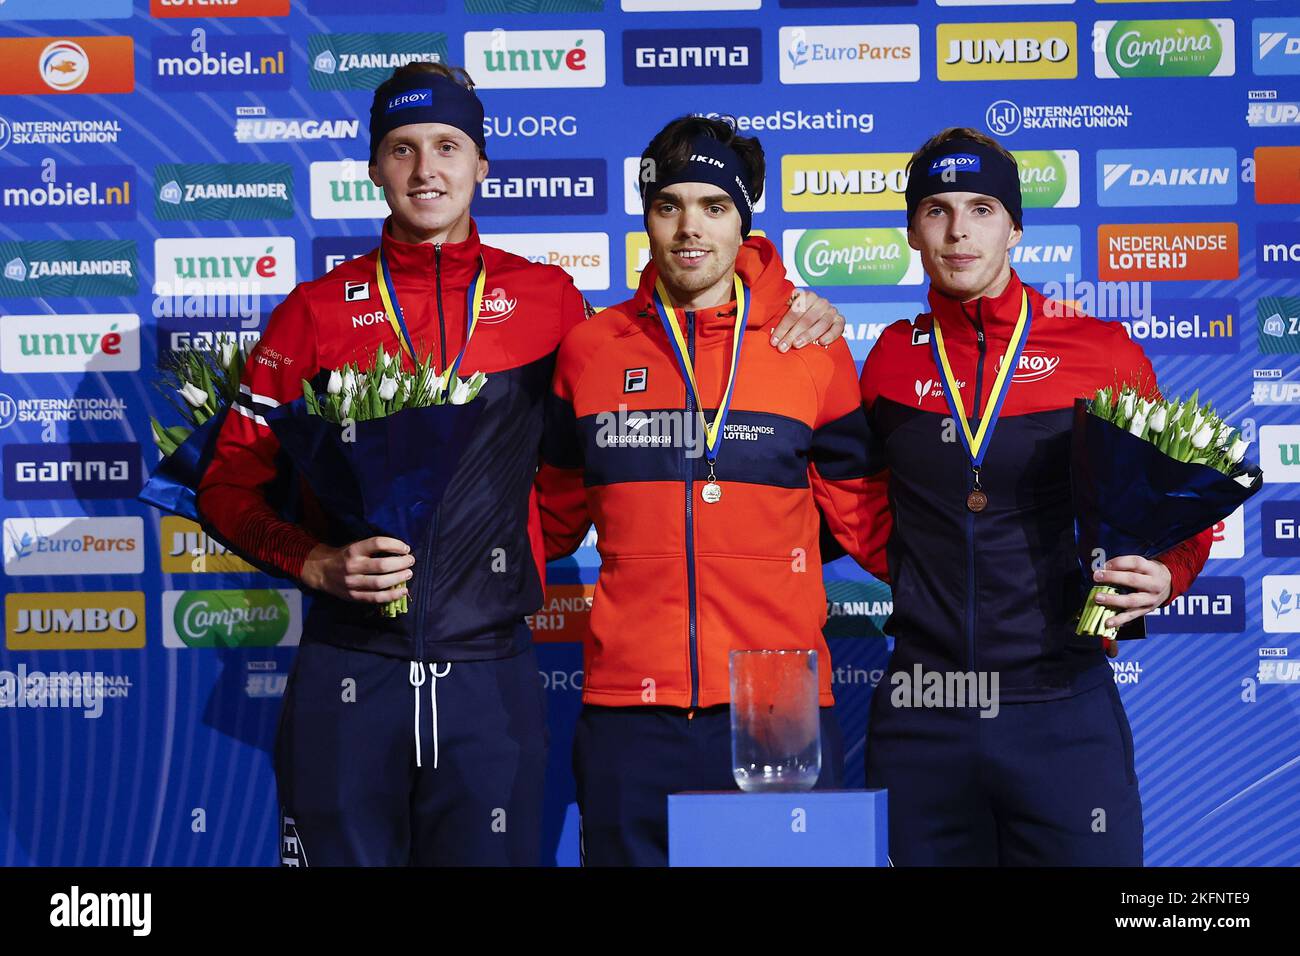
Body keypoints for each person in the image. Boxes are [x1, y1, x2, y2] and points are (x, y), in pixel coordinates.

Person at [197, 63, 846, 867]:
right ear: (371, 168)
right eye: (401, 150)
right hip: (349, 673)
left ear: (481, 167)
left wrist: (786, 298)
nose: (425, 169)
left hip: (489, 677)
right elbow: (226, 483)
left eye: (447, 146)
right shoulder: (312, 313)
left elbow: (591, 455)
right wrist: (315, 561)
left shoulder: (552, 307)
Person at [856, 127, 1214, 866]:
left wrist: (1171, 570)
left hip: (1061, 705)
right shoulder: (890, 359)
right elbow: (854, 493)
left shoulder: (1100, 350)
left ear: (1015, 225)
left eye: (982, 207)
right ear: (912, 230)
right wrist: (916, 570)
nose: (960, 230)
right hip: (926, 709)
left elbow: (1173, 499)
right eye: (937, 209)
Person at [537, 116, 886, 866]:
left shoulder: (810, 346)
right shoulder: (592, 352)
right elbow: (548, 520)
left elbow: (868, 520)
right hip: (629, 708)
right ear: (646, 218)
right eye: (668, 206)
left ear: (744, 220)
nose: (689, 227)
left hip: (778, 706)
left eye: (714, 206)